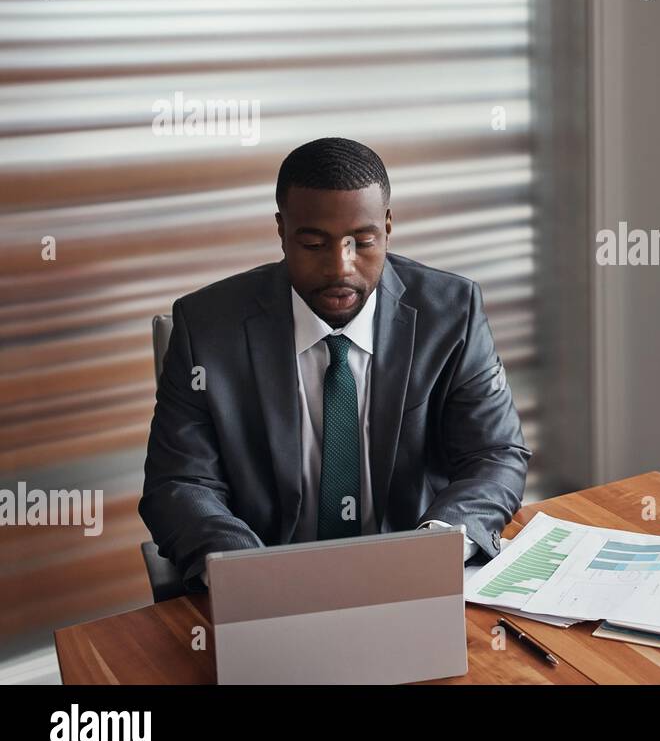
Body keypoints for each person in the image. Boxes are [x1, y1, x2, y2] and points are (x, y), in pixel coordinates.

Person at [140, 137, 530, 590]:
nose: (340, 267)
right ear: (281, 230)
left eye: (361, 242)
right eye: (312, 243)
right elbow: (180, 483)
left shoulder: (452, 313)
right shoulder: (207, 328)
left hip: (407, 580)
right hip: (268, 585)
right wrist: (245, 572)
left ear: (387, 227)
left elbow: (495, 455)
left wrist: (437, 547)